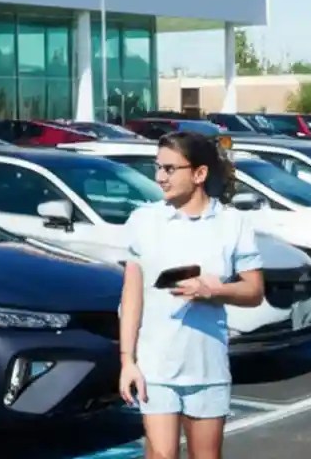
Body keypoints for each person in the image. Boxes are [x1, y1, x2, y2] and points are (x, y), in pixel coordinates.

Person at [118, 131, 265, 459]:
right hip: (155, 367)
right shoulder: (144, 221)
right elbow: (131, 297)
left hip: (208, 367)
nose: (160, 177)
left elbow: (254, 291)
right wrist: (127, 361)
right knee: (161, 455)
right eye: (157, 168)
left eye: (170, 169)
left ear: (199, 174)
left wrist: (214, 290)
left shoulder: (232, 223)